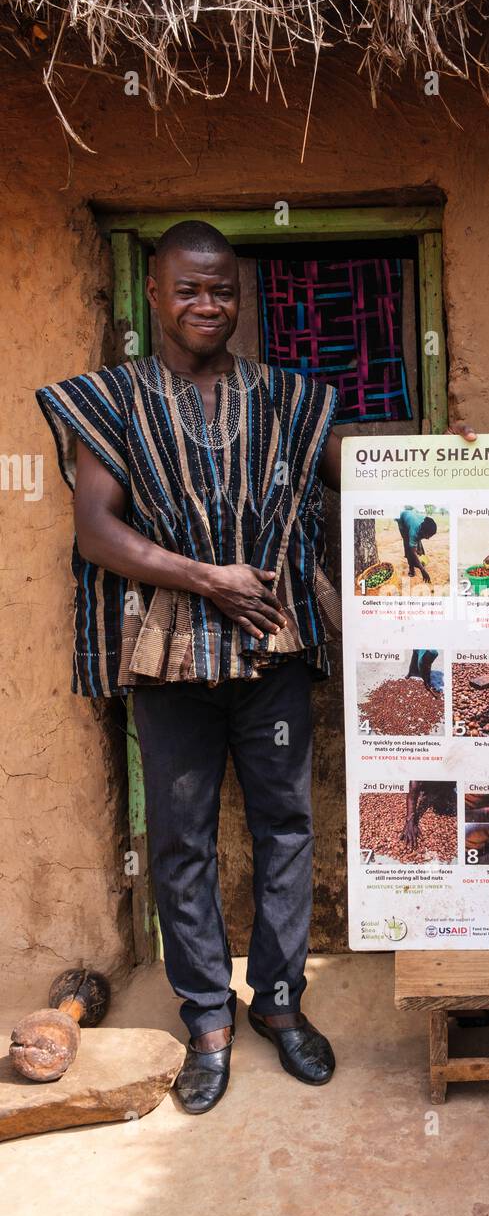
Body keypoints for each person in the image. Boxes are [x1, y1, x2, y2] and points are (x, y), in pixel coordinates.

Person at [36, 220, 348, 1114]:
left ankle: (281, 1007)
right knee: (180, 842)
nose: (206, 305)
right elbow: (96, 530)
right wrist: (205, 577)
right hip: (170, 657)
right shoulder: (115, 403)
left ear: (238, 297)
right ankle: (208, 1018)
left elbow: (366, 477)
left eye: (221, 290)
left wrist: (452, 465)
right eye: (188, 289)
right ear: (154, 296)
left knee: (287, 827)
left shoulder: (287, 399)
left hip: (272, 648)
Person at [396, 507, 436, 582]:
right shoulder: (413, 532)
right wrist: (423, 571)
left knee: (418, 545)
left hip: (412, 519)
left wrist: (419, 550)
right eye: (428, 536)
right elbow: (413, 552)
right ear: (423, 531)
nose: (428, 538)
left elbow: (419, 537)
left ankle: (419, 561)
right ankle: (411, 569)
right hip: (401, 519)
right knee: (408, 546)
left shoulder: (425, 522)